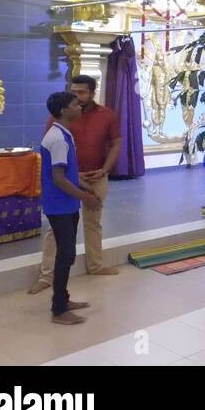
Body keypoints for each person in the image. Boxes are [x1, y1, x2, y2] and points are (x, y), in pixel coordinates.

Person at [29, 76, 121, 295]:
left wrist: (104, 170)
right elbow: (53, 157)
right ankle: (47, 276)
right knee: (57, 229)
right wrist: (76, 179)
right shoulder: (58, 121)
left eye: (82, 92)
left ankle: (95, 265)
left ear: (92, 92)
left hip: (96, 176)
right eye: (74, 93)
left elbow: (116, 144)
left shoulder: (106, 115)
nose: (78, 98)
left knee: (93, 222)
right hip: (69, 179)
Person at [40, 92, 100, 325]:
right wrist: (85, 197)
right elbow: (59, 179)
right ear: (65, 110)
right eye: (75, 103)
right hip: (60, 204)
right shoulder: (58, 139)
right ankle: (58, 310)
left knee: (68, 253)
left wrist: (84, 186)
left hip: (66, 203)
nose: (80, 105)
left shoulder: (63, 134)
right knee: (65, 255)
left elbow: (69, 173)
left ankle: (63, 300)